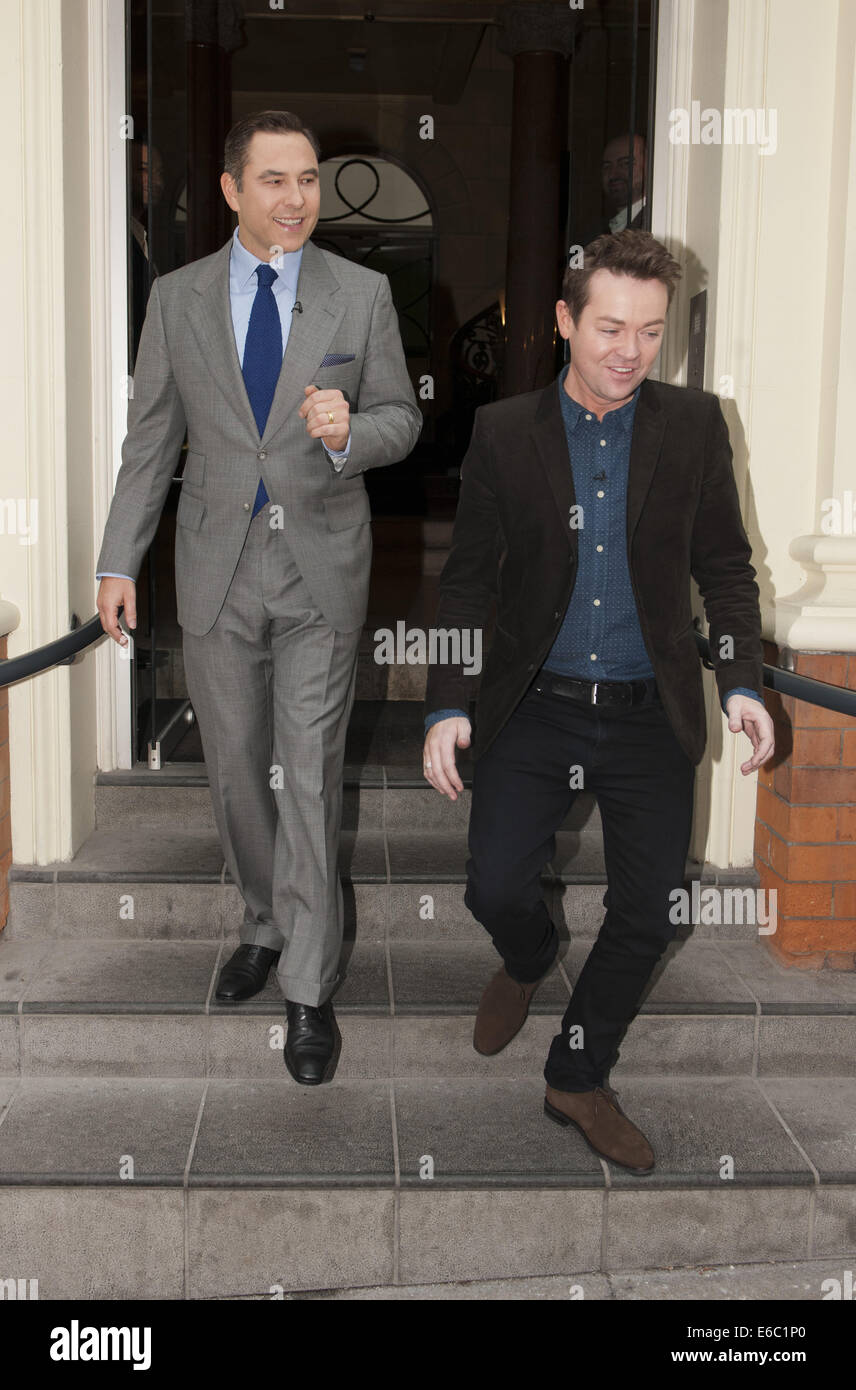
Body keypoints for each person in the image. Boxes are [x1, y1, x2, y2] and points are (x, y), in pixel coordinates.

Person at [422, 230, 774, 1173]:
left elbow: (726, 570)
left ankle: (577, 1073)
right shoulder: (506, 433)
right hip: (534, 705)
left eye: (651, 332)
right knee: (493, 885)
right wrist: (446, 701)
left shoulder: (695, 425)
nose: (629, 351)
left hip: (647, 709)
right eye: (611, 327)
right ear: (565, 320)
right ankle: (530, 955)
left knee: (650, 909)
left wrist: (740, 679)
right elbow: (466, 585)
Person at [97, 110, 422, 1085]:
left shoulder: (361, 294)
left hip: (319, 563)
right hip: (215, 563)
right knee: (237, 771)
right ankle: (262, 920)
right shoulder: (179, 297)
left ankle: (309, 987)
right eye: (274, 180)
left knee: (311, 775)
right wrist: (119, 560)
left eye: (309, 179)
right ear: (234, 190)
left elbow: (402, 417)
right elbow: (151, 440)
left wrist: (345, 433)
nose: (296, 199)